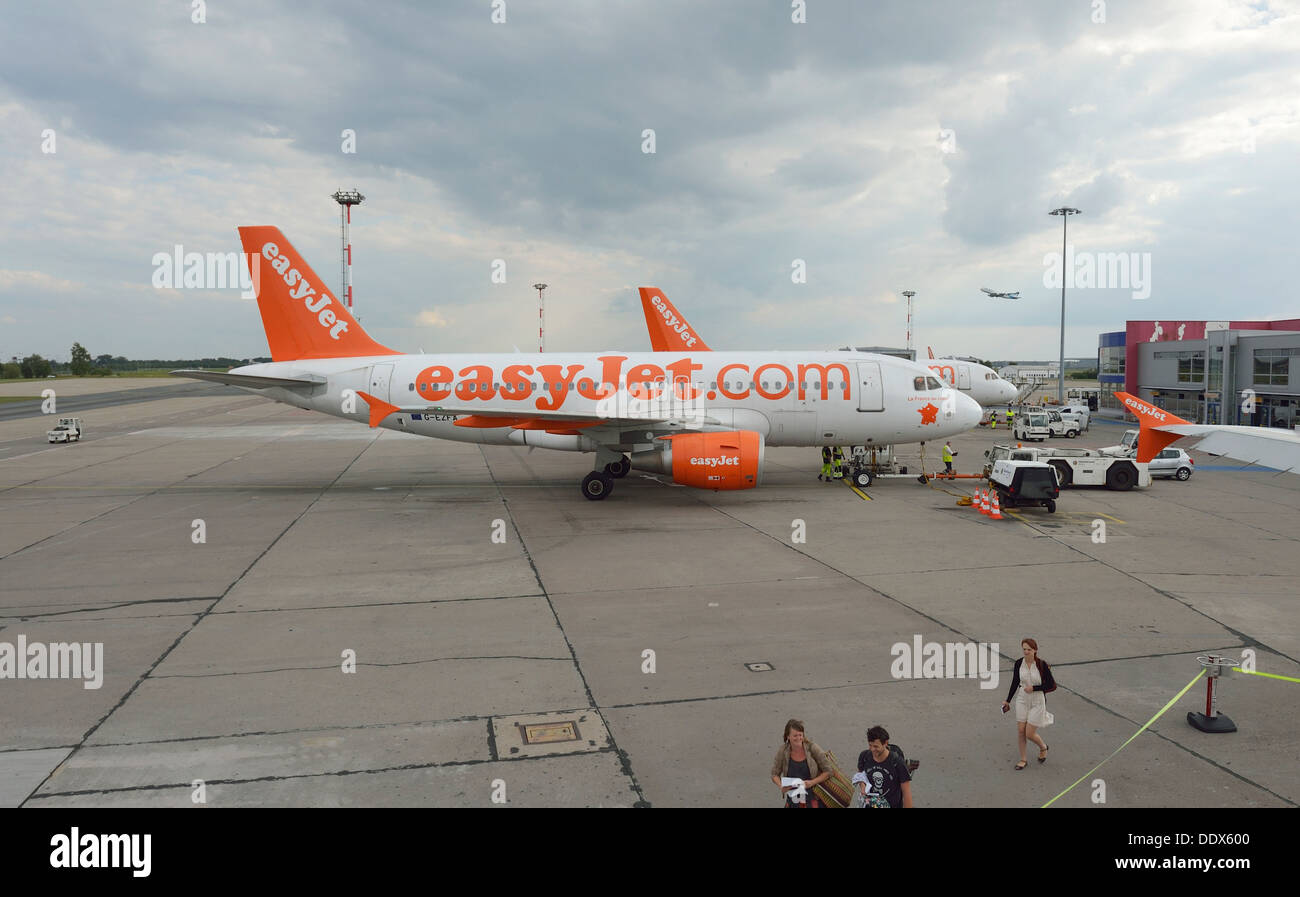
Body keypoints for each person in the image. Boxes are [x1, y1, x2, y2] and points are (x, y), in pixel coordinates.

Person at [1001, 638, 1056, 770]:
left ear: (1035, 650)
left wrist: (1034, 688)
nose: (1026, 652)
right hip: (1022, 699)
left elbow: (1052, 685)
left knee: (1029, 733)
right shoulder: (1019, 663)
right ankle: (1023, 759)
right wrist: (1008, 700)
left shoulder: (1042, 665)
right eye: (1024, 649)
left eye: (1029, 649)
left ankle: (1043, 747)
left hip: (1037, 700)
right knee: (1021, 731)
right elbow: (1015, 681)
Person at [770, 719, 832, 807]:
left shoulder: (812, 748)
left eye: (800, 735)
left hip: (813, 799)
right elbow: (774, 774)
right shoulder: (783, 751)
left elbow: (828, 771)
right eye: (795, 735)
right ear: (788, 736)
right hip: (792, 801)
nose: (799, 738)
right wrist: (781, 786)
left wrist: (812, 782)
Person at [852, 726, 913, 807]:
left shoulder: (897, 763)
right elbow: (861, 775)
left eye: (876, 746)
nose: (872, 749)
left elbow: (906, 793)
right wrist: (863, 787)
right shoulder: (864, 757)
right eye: (870, 745)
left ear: (885, 743)